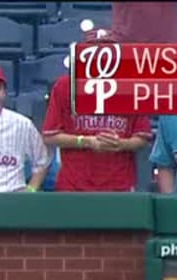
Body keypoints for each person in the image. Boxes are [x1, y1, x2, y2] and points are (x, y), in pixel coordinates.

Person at [41, 30, 153, 193]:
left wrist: (120, 144)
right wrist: (86, 141)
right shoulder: (65, 86)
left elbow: (142, 137)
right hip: (73, 186)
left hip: (118, 185)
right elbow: (50, 136)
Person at [0, 66, 48, 193]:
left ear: (4, 92)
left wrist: (31, 190)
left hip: (14, 199)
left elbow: (42, 161)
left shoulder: (22, 124)